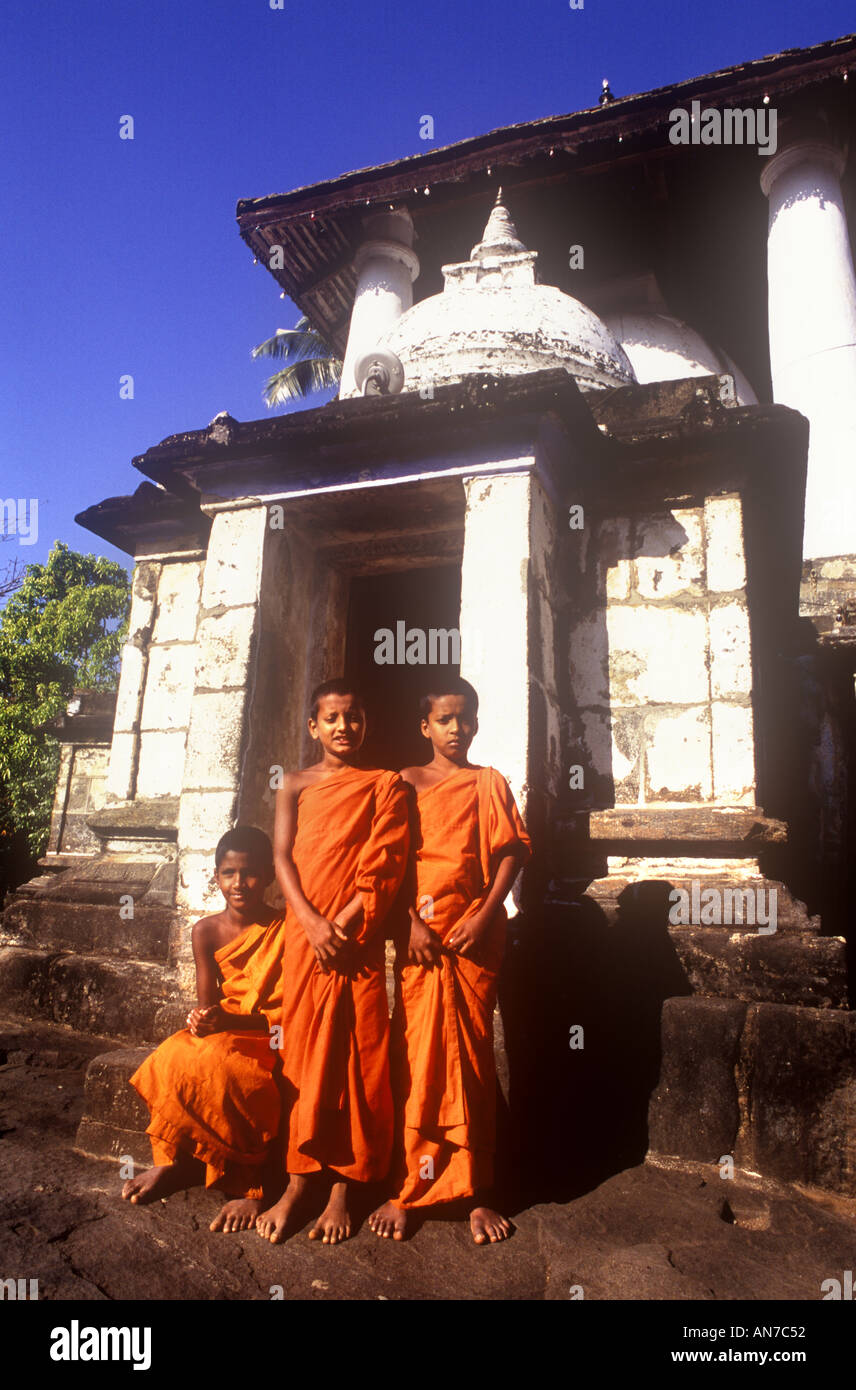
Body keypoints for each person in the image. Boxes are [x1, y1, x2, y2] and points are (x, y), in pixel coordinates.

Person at [368, 677, 530, 1244]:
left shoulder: (488, 783)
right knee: (417, 1058)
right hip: (420, 939)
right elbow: (386, 867)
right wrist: (406, 923)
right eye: (444, 720)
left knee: (471, 1058)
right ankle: (412, 1185)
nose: (456, 730)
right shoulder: (402, 784)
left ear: (477, 723)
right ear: (425, 726)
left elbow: (510, 853)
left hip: (473, 938)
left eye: (465, 719)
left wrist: (486, 915)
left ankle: (475, 1193)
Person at [255, 679, 409, 1246]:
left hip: (357, 940)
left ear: (365, 724)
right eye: (333, 718)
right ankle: (298, 1181)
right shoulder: (293, 783)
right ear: (313, 726)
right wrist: (313, 922)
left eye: (354, 717)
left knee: (361, 1057)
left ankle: (345, 1186)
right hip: (307, 935)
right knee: (302, 1054)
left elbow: (385, 862)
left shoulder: (384, 785)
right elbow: (281, 856)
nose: (344, 727)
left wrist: (341, 923)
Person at [122, 826, 284, 1233]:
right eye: (229, 873)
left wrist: (229, 1022)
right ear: (216, 877)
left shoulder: (286, 930)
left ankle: (250, 1185)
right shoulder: (206, 931)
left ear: (268, 877)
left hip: (267, 1029)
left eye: (249, 873)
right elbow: (206, 1002)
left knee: (227, 1070)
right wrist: (202, 1018)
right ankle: (170, 1163)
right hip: (225, 1024)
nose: (239, 883)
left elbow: (289, 1010)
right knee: (171, 1055)